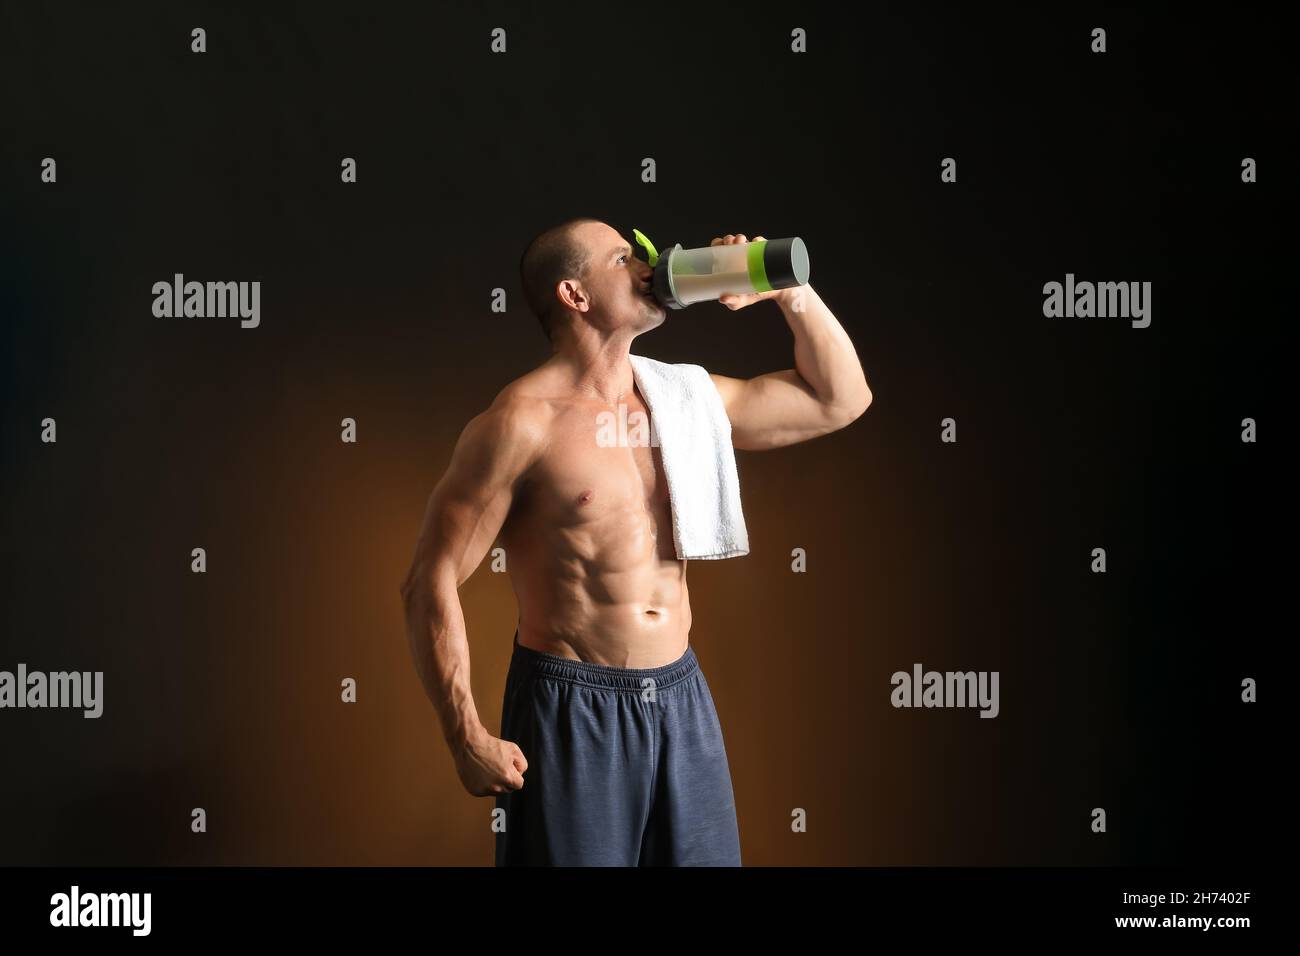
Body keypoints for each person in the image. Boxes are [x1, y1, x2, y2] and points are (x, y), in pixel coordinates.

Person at [399, 218, 872, 865]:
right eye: (624, 258)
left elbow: (840, 399)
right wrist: (464, 736)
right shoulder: (519, 424)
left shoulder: (684, 399)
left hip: (681, 696)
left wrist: (787, 290)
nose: (651, 267)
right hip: (572, 705)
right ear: (574, 294)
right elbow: (429, 579)